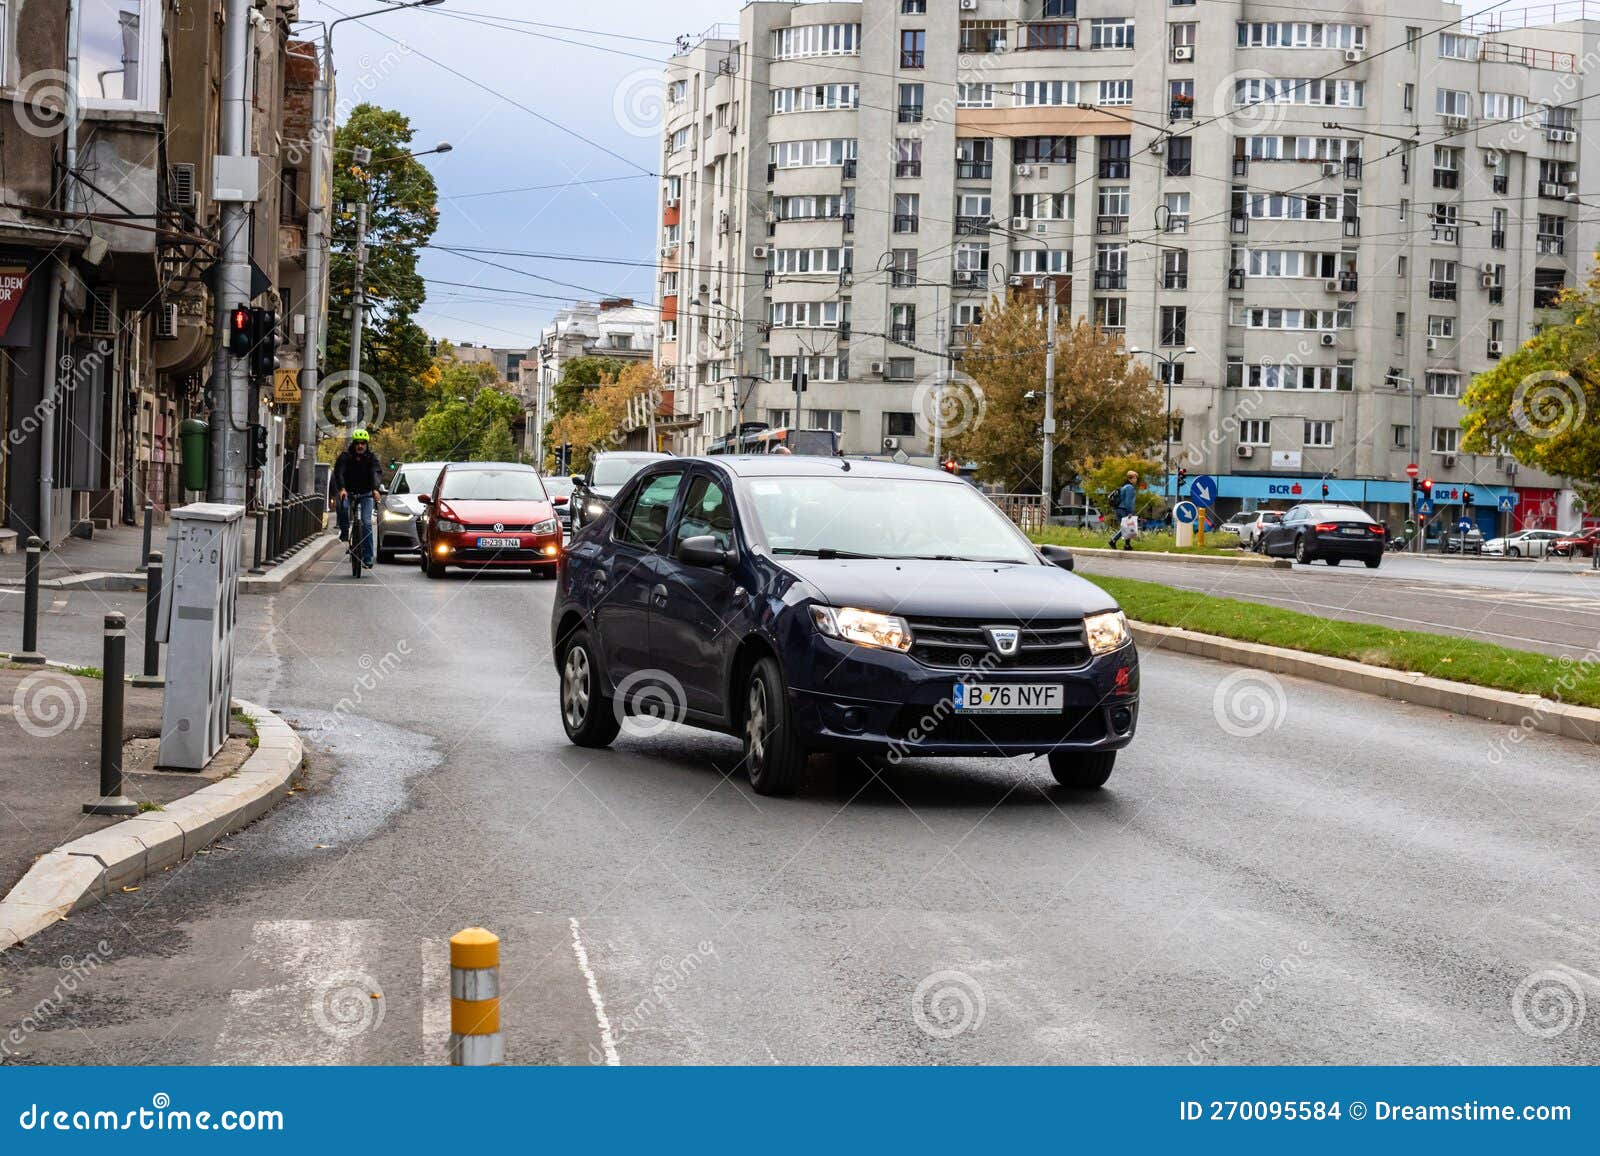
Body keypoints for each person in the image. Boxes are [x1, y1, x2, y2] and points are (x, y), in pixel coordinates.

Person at [333, 429, 384, 567]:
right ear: (354, 444)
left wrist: (375, 489)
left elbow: (376, 472)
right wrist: (342, 489)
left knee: (367, 524)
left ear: (366, 444)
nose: (360, 446)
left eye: (363, 443)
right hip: (348, 492)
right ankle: (344, 532)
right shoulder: (345, 457)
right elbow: (340, 472)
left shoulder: (371, 458)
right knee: (342, 507)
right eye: (357, 443)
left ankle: (367, 558)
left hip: (366, 494)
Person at [1108, 469, 1140, 551]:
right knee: (1126, 527)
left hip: (1118, 509)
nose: (1136, 480)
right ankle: (1113, 540)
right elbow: (1128, 501)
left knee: (1126, 527)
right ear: (1131, 478)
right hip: (1124, 509)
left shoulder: (1124, 486)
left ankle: (1127, 545)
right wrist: (1130, 512)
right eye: (1135, 478)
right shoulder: (1130, 488)